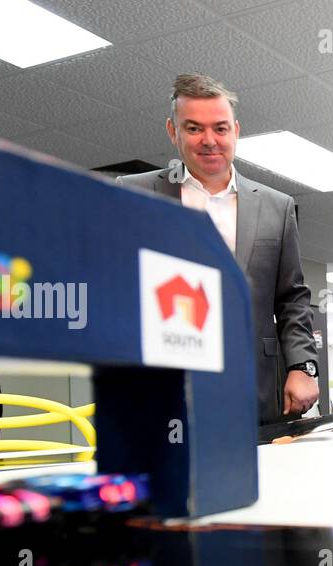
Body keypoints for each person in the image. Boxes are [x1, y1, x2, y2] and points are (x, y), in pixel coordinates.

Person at [118, 74, 319, 424]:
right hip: (163, 386)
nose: (209, 140)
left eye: (220, 128)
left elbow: (291, 298)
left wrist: (303, 366)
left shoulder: (277, 206)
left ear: (236, 131)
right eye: (194, 128)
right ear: (172, 131)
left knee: (261, 477)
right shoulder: (134, 195)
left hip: (253, 385)